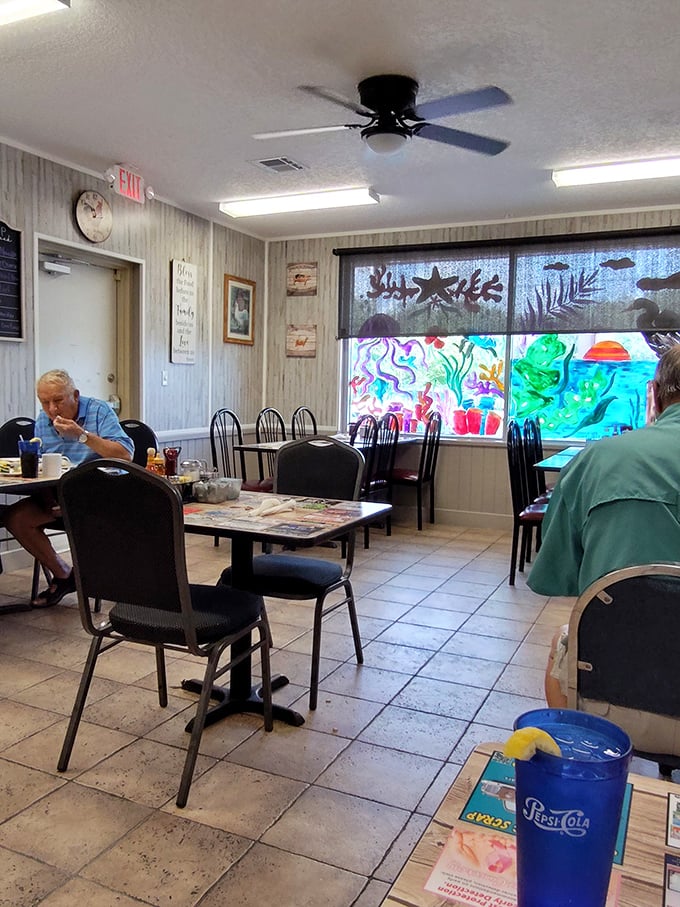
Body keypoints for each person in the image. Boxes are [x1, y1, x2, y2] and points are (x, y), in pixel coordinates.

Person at [528, 345, 680, 706]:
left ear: (656, 394)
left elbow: (556, 574)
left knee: (563, 641)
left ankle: (579, 741)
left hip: (614, 675)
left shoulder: (597, 459)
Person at [5, 369, 134, 607]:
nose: (52, 409)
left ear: (75, 395)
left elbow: (125, 454)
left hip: (101, 491)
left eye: (58, 401)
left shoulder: (98, 410)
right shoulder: (43, 420)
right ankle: (65, 576)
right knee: (16, 518)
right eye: (45, 402)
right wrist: (49, 501)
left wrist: (82, 435)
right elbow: (43, 465)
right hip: (60, 492)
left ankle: (106, 580)